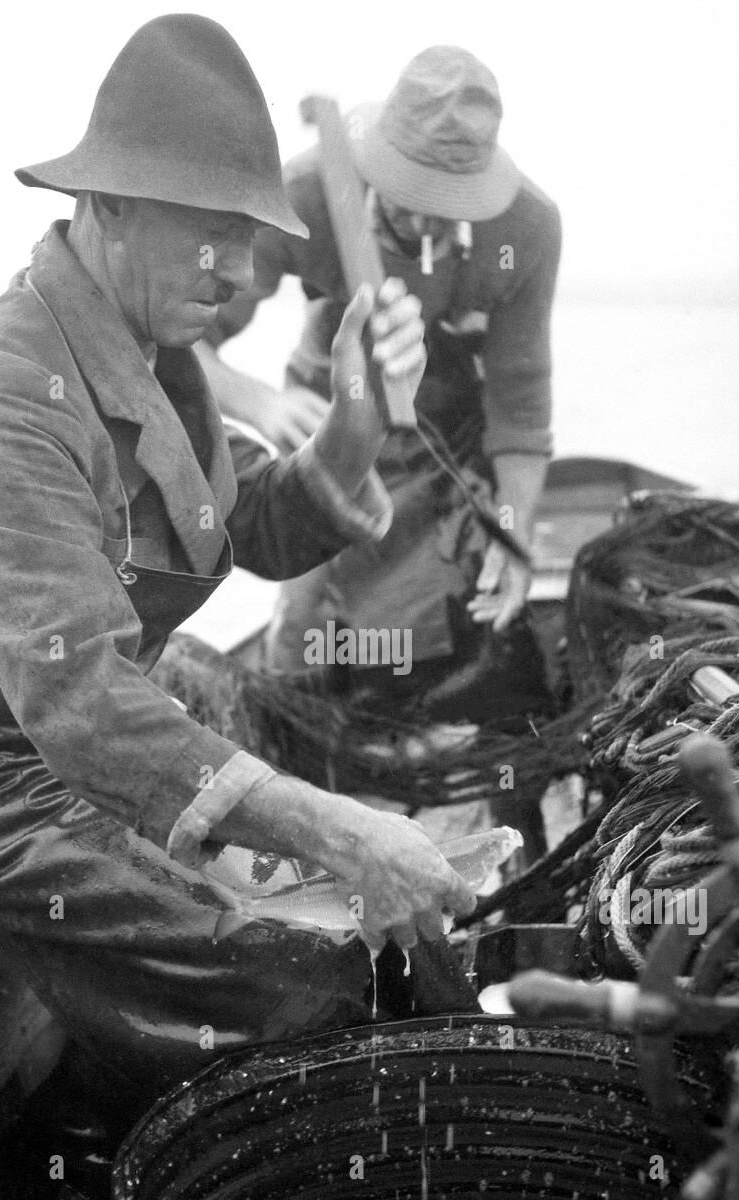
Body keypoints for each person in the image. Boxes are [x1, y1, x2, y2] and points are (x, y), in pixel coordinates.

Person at [0, 15, 476, 1098]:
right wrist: (345, 832)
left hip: (95, 757)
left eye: (247, 238)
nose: (233, 275)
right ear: (106, 206)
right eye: (204, 233)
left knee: (369, 929)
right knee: (321, 971)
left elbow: (256, 522)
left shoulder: (154, 348)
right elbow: (81, 698)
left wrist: (364, 398)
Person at [195, 45, 562, 730]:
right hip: (329, 402)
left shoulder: (527, 228)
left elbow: (521, 403)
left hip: (451, 421)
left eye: (446, 205)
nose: (425, 222)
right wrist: (261, 402)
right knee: (308, 629)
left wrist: (516, 534)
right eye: (410, 199)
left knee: (455, 616)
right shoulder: (303, 193)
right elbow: (183, 339)